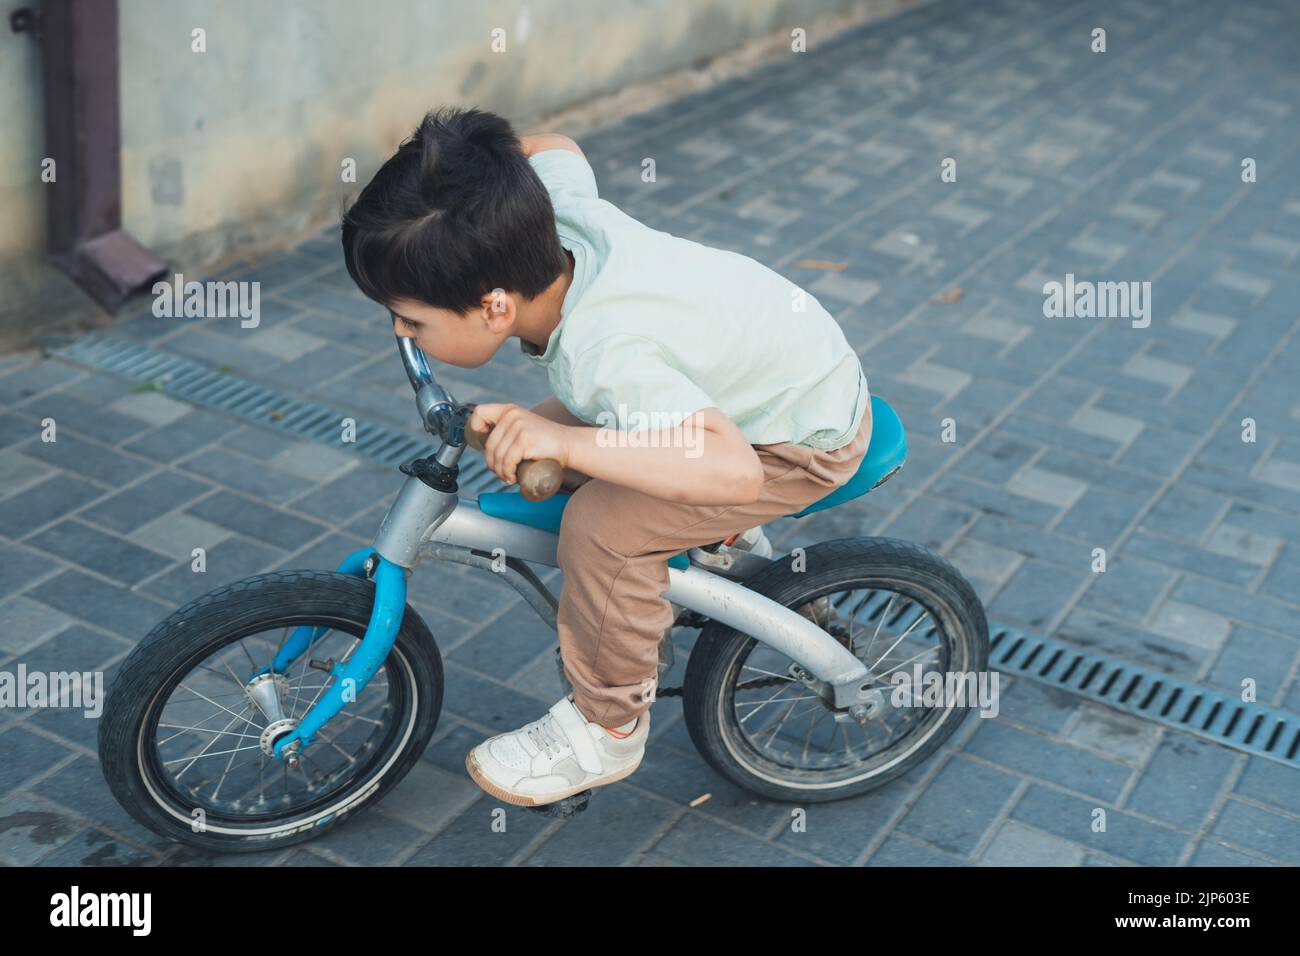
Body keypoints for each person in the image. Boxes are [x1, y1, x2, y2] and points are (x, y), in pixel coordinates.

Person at [341, 106, 872, 807]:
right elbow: (552, 145)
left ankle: (606, 726)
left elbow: (734, 469)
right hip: (742, 386)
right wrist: (463, 169)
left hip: (789, 441)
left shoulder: (607, 353)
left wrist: (562, 441)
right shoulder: (550, 216)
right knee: (559, 436)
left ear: (496, 307)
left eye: (413, 319)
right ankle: (718, 542)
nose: (399, 331)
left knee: (602, 528)